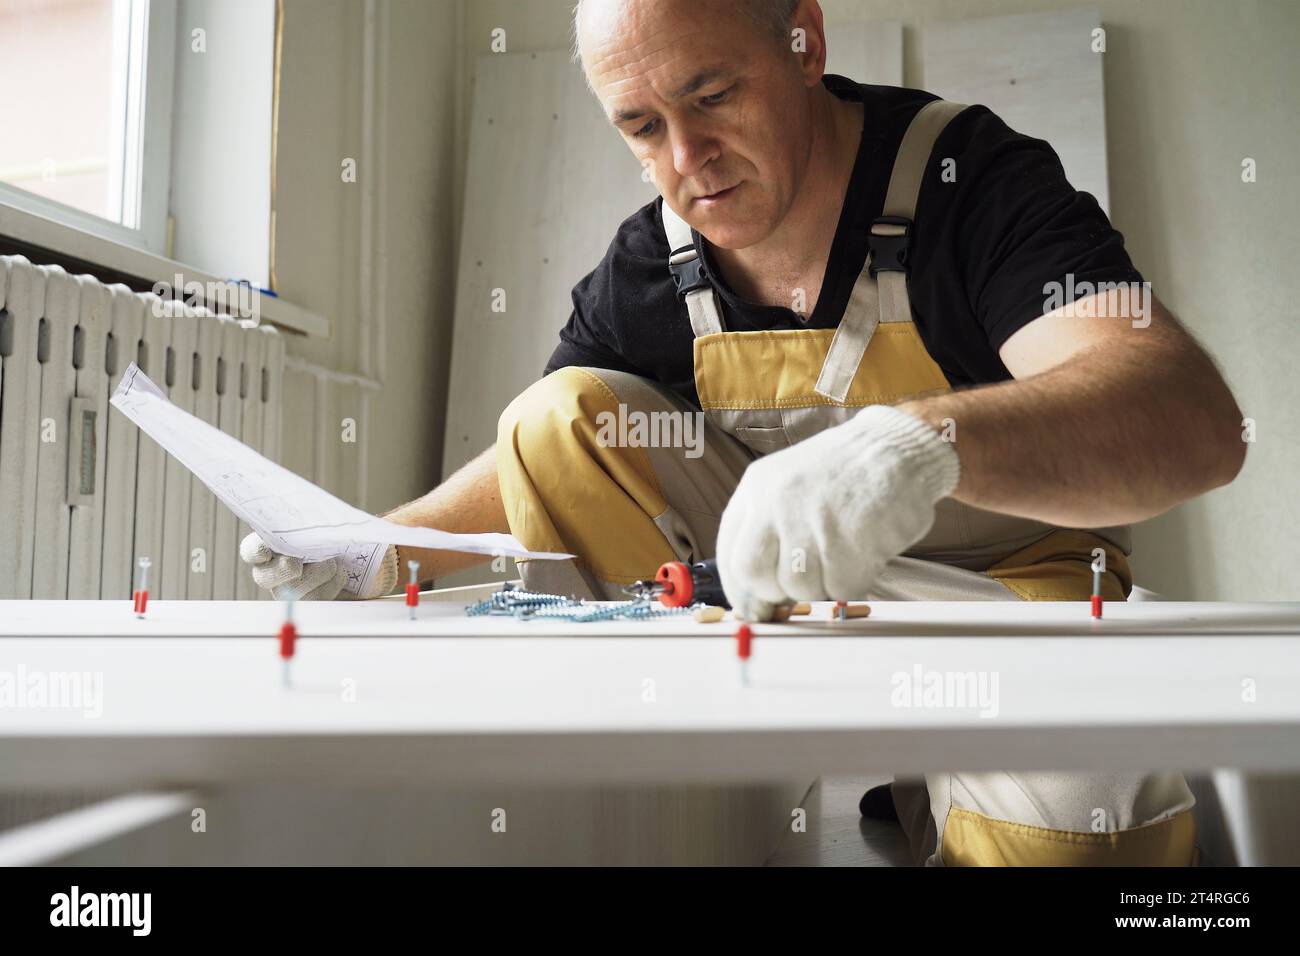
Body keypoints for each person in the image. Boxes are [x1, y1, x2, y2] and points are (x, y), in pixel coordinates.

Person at [243, 0, 1246, 865]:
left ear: (805, 41)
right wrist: (379, 548)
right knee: (553, 416)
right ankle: (719, 776)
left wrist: (917, 445)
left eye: (713, 95)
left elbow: (1190, 420)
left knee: (1083, 824)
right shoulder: (654, 260)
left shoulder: (968, 181)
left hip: (1004, 591)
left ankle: (936, 768)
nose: (686, 161)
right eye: (642, 126)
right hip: (776, 608)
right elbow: (537, 459)